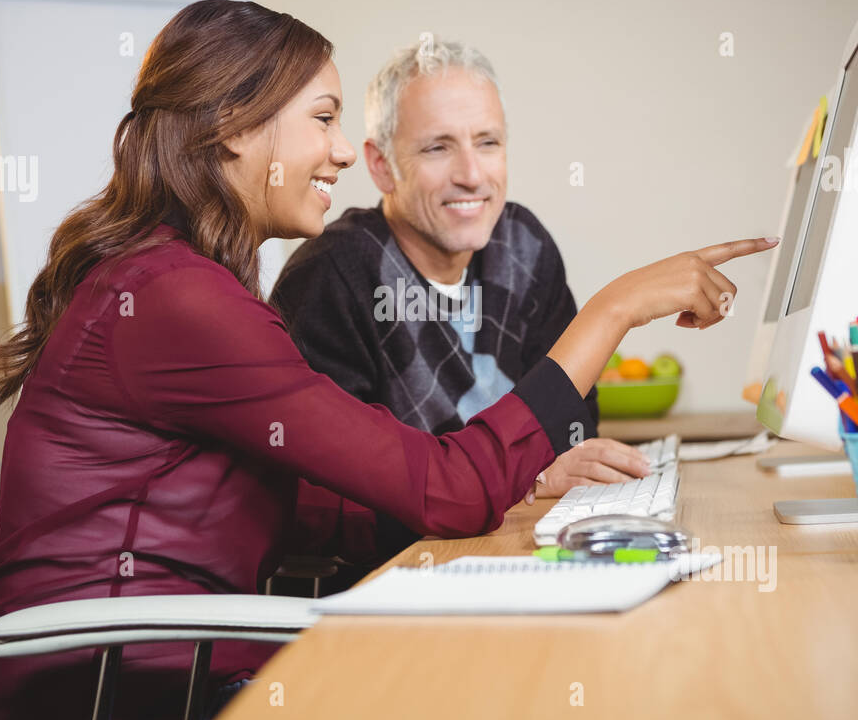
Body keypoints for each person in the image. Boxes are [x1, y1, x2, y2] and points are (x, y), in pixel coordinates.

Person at [0, 0, 777, 720]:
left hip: (170, 672)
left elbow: (314, 500)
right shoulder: (177, 297)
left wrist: (523, 484)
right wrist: (613, 310)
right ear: (230, 129)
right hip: (133, 702)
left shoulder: (180, 283)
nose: (337, 153)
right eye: (321, 120)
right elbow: (445, 487)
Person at [271, 39, 649, 563]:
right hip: (391, 584)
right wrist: (527, 480)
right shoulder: (332, 276)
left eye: (488, 142)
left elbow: (575, 419)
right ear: (381, 167)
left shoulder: (524, 245)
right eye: (438, 148)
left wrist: (545, 476)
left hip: (518, 550)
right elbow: (335, 498)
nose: (472, 175)